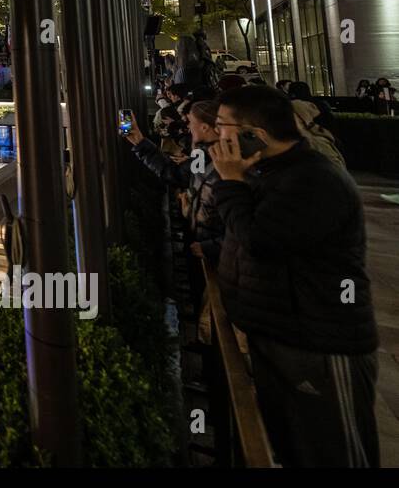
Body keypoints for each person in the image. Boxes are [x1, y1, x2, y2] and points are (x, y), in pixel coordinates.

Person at [209, 85, 379, 467]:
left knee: (334, 453)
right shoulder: (274, 174)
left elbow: (257, 240)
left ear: (256, 136)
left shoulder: (313, 181)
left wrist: (231, 182)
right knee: (297, 449)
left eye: (222, 126)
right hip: (286, 337)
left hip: (320, 345)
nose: (217, 136)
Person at [122, 102, 225, 264]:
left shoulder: (223, 159)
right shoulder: (203, 153)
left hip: (214, 250)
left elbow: (175, 174)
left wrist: (211, 247)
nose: (188, 127)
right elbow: (179, 175)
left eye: (190, 122)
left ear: (204, 127)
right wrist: (140, 142)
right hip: (204, 242)